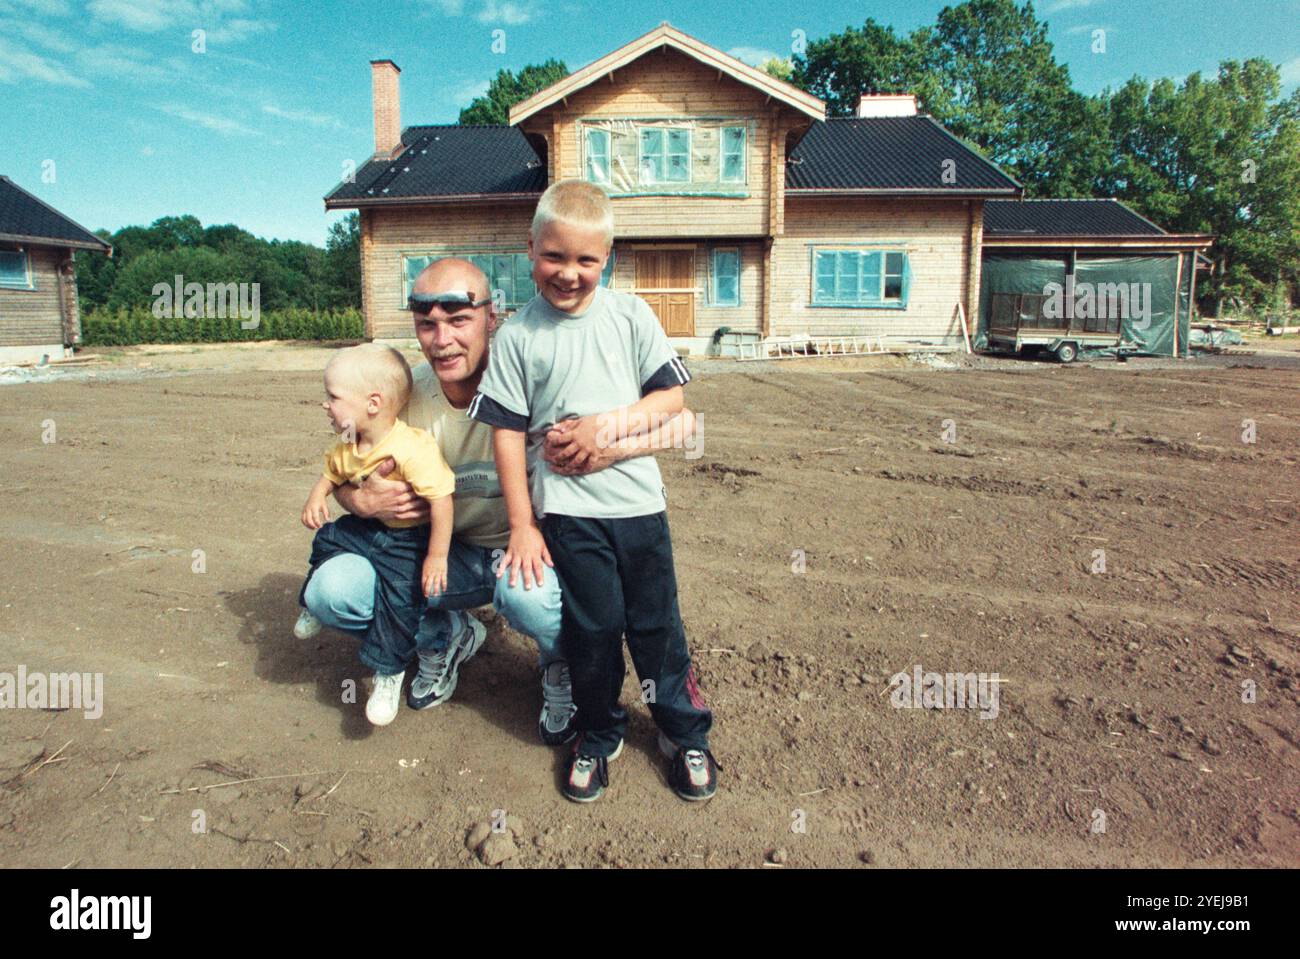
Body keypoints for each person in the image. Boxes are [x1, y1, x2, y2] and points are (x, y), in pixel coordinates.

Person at [302, 256, 698, 747]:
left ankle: (559, 665)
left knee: (532, 596)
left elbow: (683, 422)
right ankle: (445, 637)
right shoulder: (407, 397)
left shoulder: (540, 373)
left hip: (533, 551)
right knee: (332, 591)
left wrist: (608, 446)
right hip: (441, 557)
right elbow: (347, 459)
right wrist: (357, 499)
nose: (441, 339)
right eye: (427, 324)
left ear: (493, 318)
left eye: (459, 320)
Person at [469, 180, 719, 803]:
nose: (569, 274)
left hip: (639, 508)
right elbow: (506, 435)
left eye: (586, 260)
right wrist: (524, 524)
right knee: (594, 627)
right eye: (555, 257)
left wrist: (605, 427)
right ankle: (598, 733)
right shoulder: (519, 336)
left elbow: (672, 400)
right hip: (569, 517)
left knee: (657, 625)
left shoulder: (631, 315)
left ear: (607, 257)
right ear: (531, 249)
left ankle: (681, 731)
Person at [295, 343, 464, 727]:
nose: (326, 405)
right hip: (367, 529)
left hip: (407, 542)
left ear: (373, 403)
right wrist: (317, 497)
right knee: (328, 538)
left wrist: (437, 555)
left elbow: (442, 499)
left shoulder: (411, 446)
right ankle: (310, 602)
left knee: (400, 602)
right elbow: (332, 473)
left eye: (333, 397)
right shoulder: (348, 443)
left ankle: (389, 672)